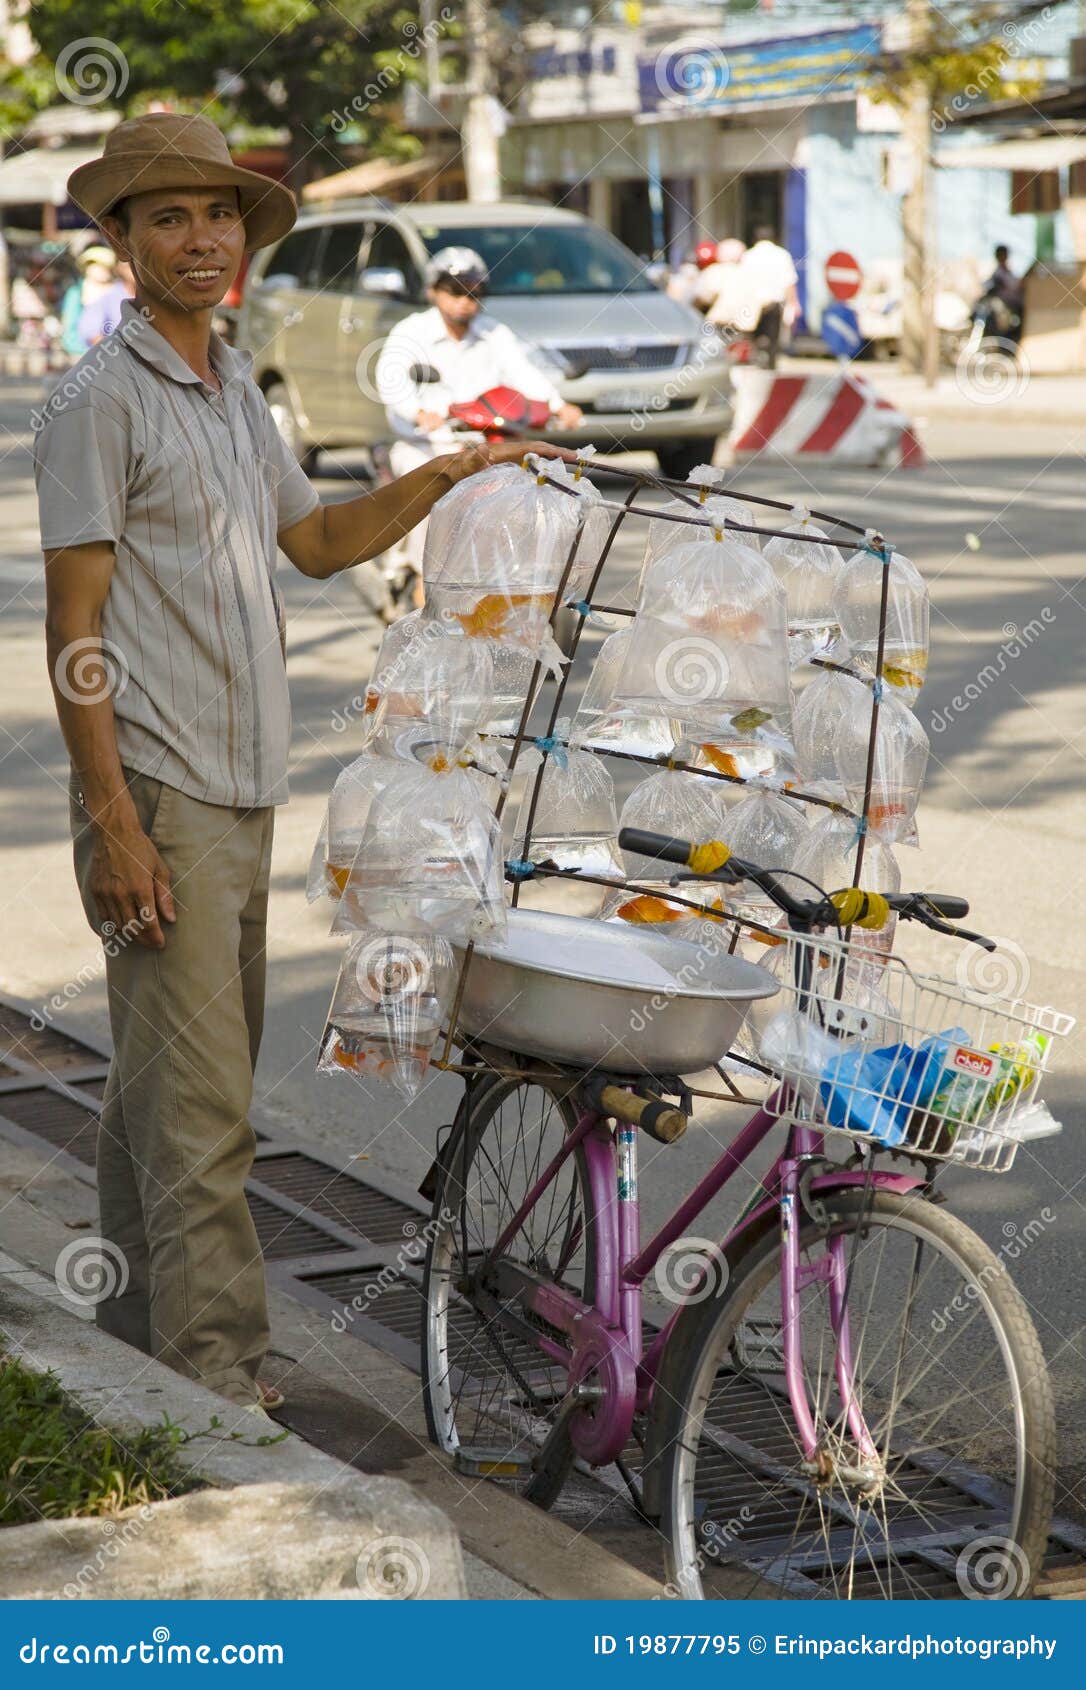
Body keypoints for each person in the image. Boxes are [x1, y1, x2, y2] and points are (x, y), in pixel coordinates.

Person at [33, 113, 572, 1420]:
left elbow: (318, 540)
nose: (200, 237)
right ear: (118, 243)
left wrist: (445, 477)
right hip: (156, 788)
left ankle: (130, 1356)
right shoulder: (96, 402)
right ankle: (218, 1395)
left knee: (161, 1092)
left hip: (237, 788)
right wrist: (114, 818)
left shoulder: (227, 385)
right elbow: (74, 634)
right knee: (207, 1111)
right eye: (165, 218)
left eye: (216, 214)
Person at [375, 245, 582, 591]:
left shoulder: (493, 333)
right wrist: (418, 412)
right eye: (455, 290)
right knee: (432, 508)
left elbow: (523, 373)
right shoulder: (411, 332)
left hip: (486, 447)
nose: (464, 300)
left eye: (474, 292)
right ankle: (425, 587)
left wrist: (559, 405)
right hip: (427, 446)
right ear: (433, 291)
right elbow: (390, 379)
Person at [739, 225, 800, 368]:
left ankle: (754, 364)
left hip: (752, 304)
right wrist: (794, 303)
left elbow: (741, 282)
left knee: (752, 337)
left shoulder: (748, 256)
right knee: (773, 339)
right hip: (774, 303)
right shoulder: (782, 255)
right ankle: (770, 366)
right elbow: (789, 282)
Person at [58, 245, 118, 358]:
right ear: (87, 267)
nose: (103, 270)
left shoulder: (117, 291)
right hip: (81, 355)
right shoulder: (76, 293)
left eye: (106, 267)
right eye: (98, 266)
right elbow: (68, 330)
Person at [976, 244, 1024, 345]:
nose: (1004, 257)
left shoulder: (1007, 272)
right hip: (1007, 309)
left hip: (1015, 308)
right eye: (1002, 255)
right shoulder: (998, 274)